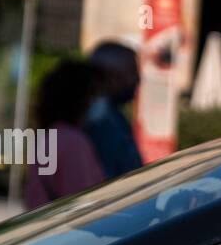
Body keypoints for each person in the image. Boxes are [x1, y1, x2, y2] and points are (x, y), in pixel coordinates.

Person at [23, 60, 107, 209]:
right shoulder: (73, 141)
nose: (98, 101)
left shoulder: (50, 135)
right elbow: (85, 204)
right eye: (94, 94)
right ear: (80, 98)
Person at [84, 41, 145, 178]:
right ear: (110, 76)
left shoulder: (109, 116)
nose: (137, 80)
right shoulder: (100, 121)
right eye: (132, 72)